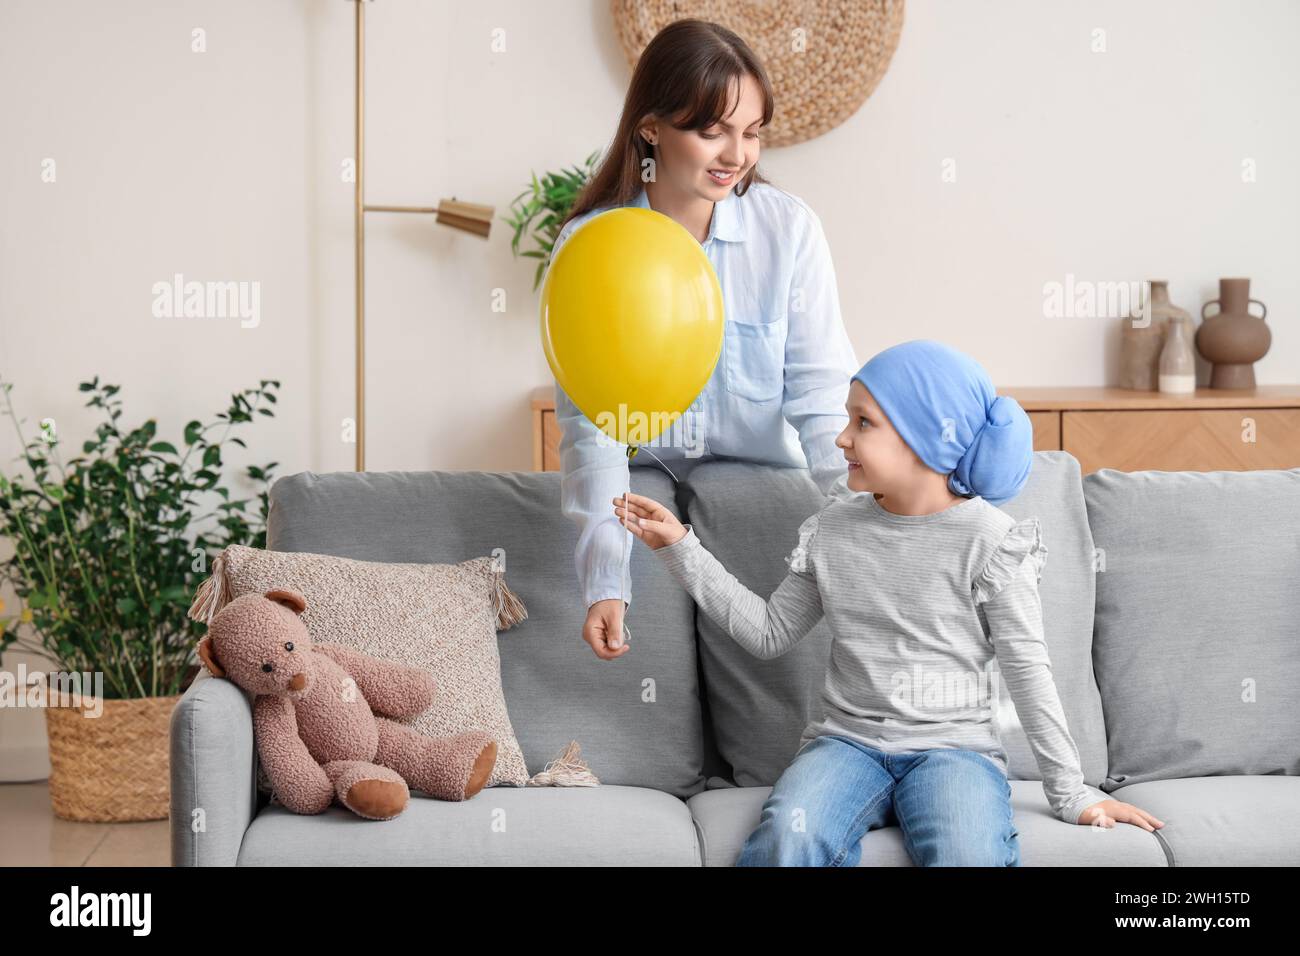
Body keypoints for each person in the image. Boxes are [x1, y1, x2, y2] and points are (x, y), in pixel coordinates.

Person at [612, 339, 1165, 866]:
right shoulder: (834, 526)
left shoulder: (992, 542)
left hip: (957, 754)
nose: (840, 439)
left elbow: (1028, 673)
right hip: (844, 746)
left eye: (863, 422)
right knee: (786, 840)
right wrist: (682, 547)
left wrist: (1072, 792)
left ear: (929, 438)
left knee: (968, 854)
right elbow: (769, 632)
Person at [549, 19, 858, 661]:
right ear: (651, 127)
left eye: (751, 133)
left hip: (760, 478)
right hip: (642, 481)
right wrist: (606, 577)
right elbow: (593, 429)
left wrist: (864, 513)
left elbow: (821, 394)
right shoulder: (591, 246)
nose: (736, 156)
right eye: (711, 131)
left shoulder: (788, 231)